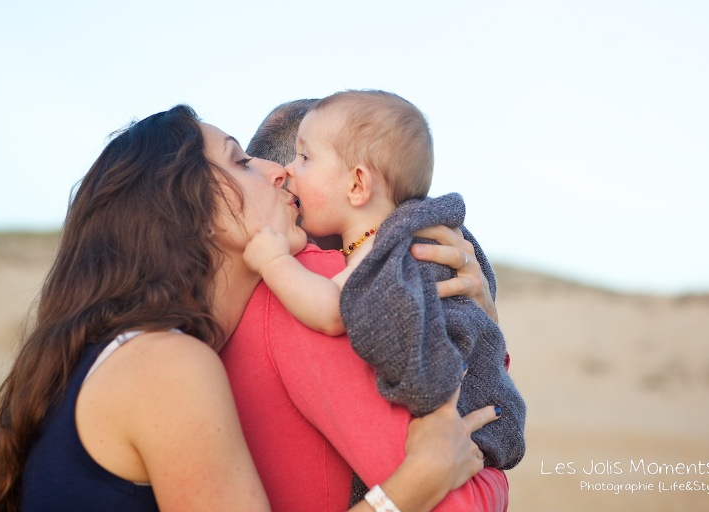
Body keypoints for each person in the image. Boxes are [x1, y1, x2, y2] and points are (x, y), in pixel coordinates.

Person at [0, 105, 501, 512]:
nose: (278, 172)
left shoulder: (140, 355)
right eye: (240, 161)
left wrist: (481, 313)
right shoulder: (163, 363)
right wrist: (418, 480)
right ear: (190, 208)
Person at [220, 95, 515, 511]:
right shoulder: (309, 278)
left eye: (307, 159)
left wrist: (481, 313)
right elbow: (460, 502)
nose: (288, 173)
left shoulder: (375, 256)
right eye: (240, 163)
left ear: (356, 185)